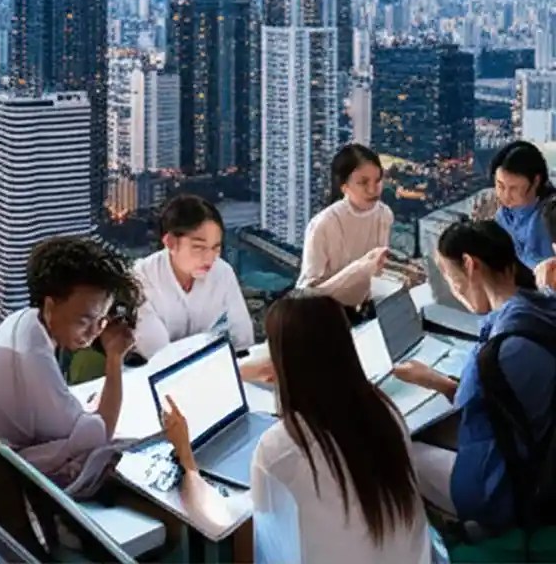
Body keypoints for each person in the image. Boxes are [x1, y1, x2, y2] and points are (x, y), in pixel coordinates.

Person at [162, 292, 431, 563]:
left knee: (247, 528)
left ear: (284, 361)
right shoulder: (384, 411)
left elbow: (218, 519)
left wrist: (187, 458)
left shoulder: (282, 448)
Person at [0, 236, 139, 549]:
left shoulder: (26, 322)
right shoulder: (31, 355)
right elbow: (98, 433)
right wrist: (115, 358)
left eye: (102, 320)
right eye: (85, 320)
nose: (95, 332)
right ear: (51, 304)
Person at [393, 220, 556, 536]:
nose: (454, 289)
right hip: (540, 451)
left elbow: (470, 409)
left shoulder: (499, 350)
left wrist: (438, 383)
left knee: (399, 446)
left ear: (470, 265)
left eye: (451, 277)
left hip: (511, 488)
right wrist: (436, 381)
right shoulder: (542, 308)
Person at [130, 195, 254, 359]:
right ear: (171, 243)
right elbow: (157, 354)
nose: (210, 258)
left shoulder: (222, 272)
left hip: (208, 367)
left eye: (216, 248)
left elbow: (242, 339)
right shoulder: (142, 277)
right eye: (199, 248)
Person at [297, 143, 392, 318]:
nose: (373, 189)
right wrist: (358, 269)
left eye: (377, 181)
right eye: (363, 182)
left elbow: (378, 273)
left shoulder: (384, 214)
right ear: (344, 187)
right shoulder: (323, 224)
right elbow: (306, 294)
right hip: (326, 316)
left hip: (369, 310)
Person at [489, 140, 556, 269]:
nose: (506, 195)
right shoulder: (502, 217)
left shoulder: (551, 216)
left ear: (536, 181)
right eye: (500, 186)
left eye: (513, 188)